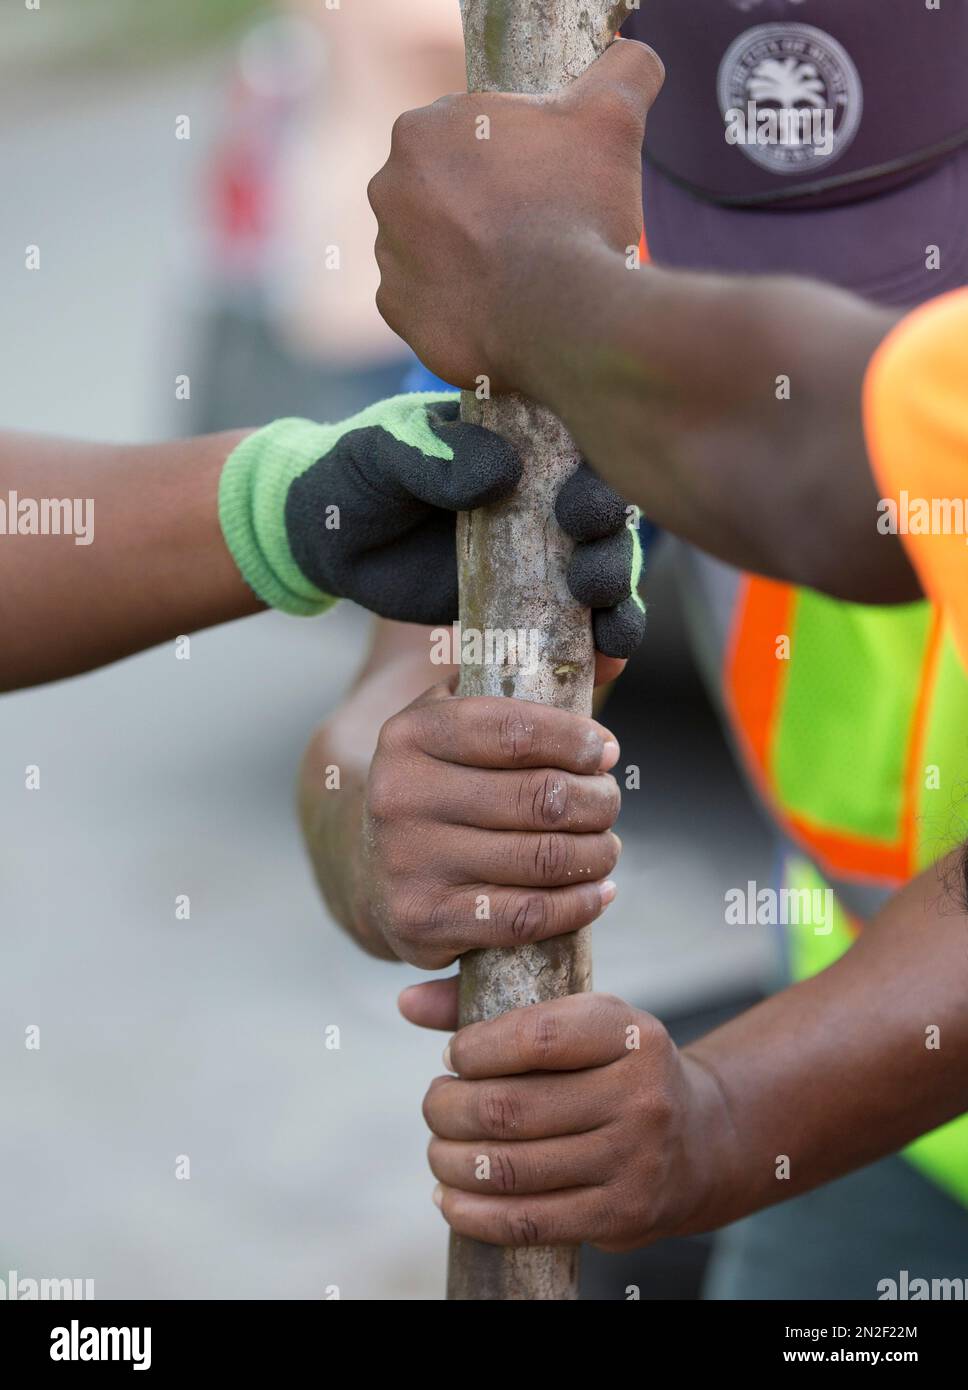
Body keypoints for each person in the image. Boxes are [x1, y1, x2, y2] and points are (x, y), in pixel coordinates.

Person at [306, 3, 968, 1296]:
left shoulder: (580, 295)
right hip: (901, 1117)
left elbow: (822, 444)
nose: (849, 309)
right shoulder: (613, 258)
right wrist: (381, 804)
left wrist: (727, 1115)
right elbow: (398, 673)